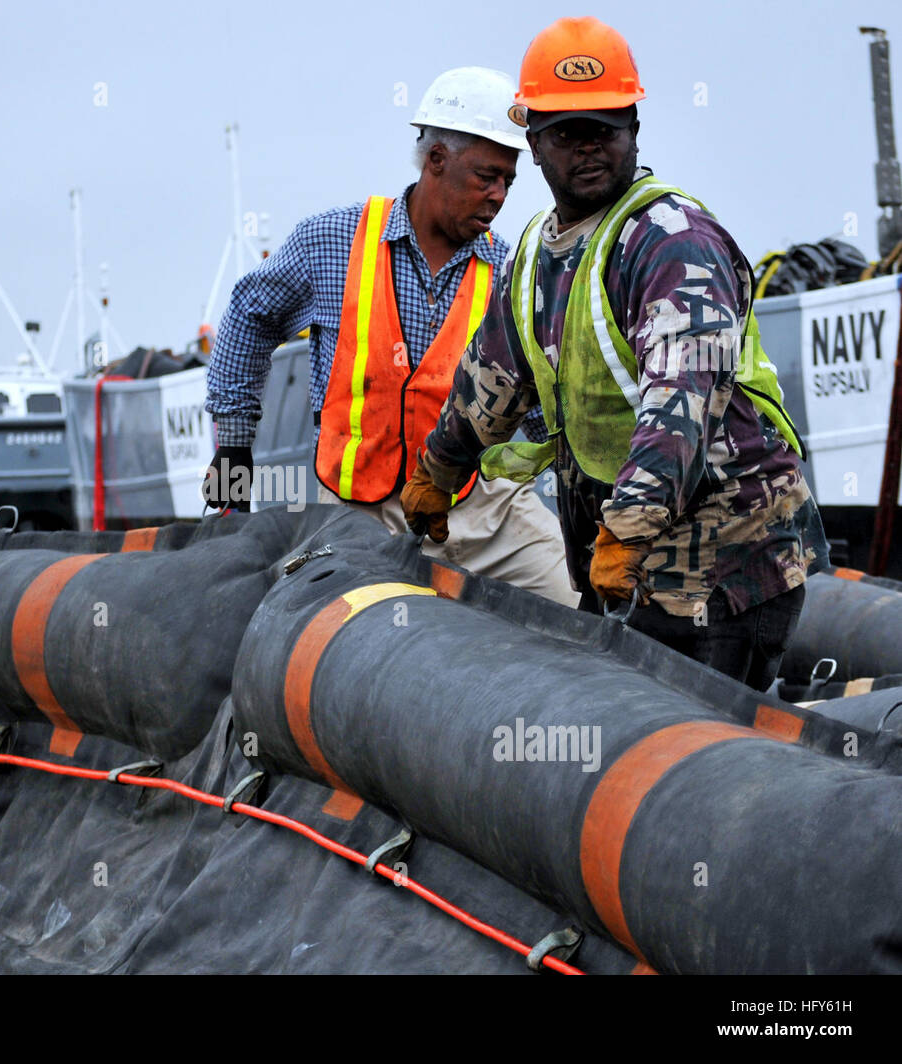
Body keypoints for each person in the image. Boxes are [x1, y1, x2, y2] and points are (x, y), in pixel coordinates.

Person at [401, 17, 829, 689]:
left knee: (695, 752)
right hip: (629, 556)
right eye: (568, 133)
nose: (589, 148)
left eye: (606, 128)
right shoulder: (536, 258)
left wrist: (628, 529)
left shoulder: (671, 242)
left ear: (634, 126)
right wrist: (440, 469)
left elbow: (681, 399)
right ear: (535, 144)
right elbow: (493, 380)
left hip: (724, 559)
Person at [203, 68, 576, 605]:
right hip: (360, 515)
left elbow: (538, 404)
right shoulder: (330, 242)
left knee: (583, 608)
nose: (497, 196)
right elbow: (250, 315)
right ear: (436, 161)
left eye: (508, 182)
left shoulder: (509, 272)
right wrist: (233, 448)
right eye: (485, 177)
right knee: (310, 631)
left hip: (482, 510)